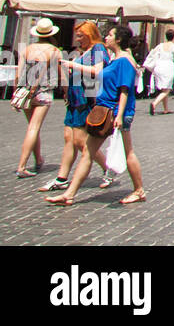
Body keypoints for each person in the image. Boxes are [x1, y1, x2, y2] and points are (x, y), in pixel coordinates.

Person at [48, 24, 145, 206]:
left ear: (118, 40)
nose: (106, 38)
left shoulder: (124, 60)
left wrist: (119, 115)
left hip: (116, 112)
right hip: (102, 110)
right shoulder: (115, 59)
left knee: (128, 151)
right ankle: (69, 194)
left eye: (109, 35)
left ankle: (139, 190)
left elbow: (124, 90)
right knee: (87, 153)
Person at [39, 22, 111, 194]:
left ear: (89, 34)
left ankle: (108, 168)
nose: (77, 38)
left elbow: (98, 71)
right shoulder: (83, 51)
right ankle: (61, 178)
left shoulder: (98, 48)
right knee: (69, 138)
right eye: (77, 35)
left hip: (86, 99)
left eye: (80, 35)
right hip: (74, 98)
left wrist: (71, 65)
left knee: (81, 141)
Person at [15, 17, 61, 176]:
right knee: (34, 127)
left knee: (32, 127)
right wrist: (67, 91)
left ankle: (38, 159)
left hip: (27, 92)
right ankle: (22, 166)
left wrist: (17, 92)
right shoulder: (54, 51)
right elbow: (61, 73)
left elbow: (18, 73)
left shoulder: (27, 49)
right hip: (43, 91)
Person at [145, 29, 174, 116]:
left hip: (158, 67)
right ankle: (155, 103)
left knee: (163, 89)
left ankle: (166, 109)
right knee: (167, 89)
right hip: (168, 67)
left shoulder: (160, 46)